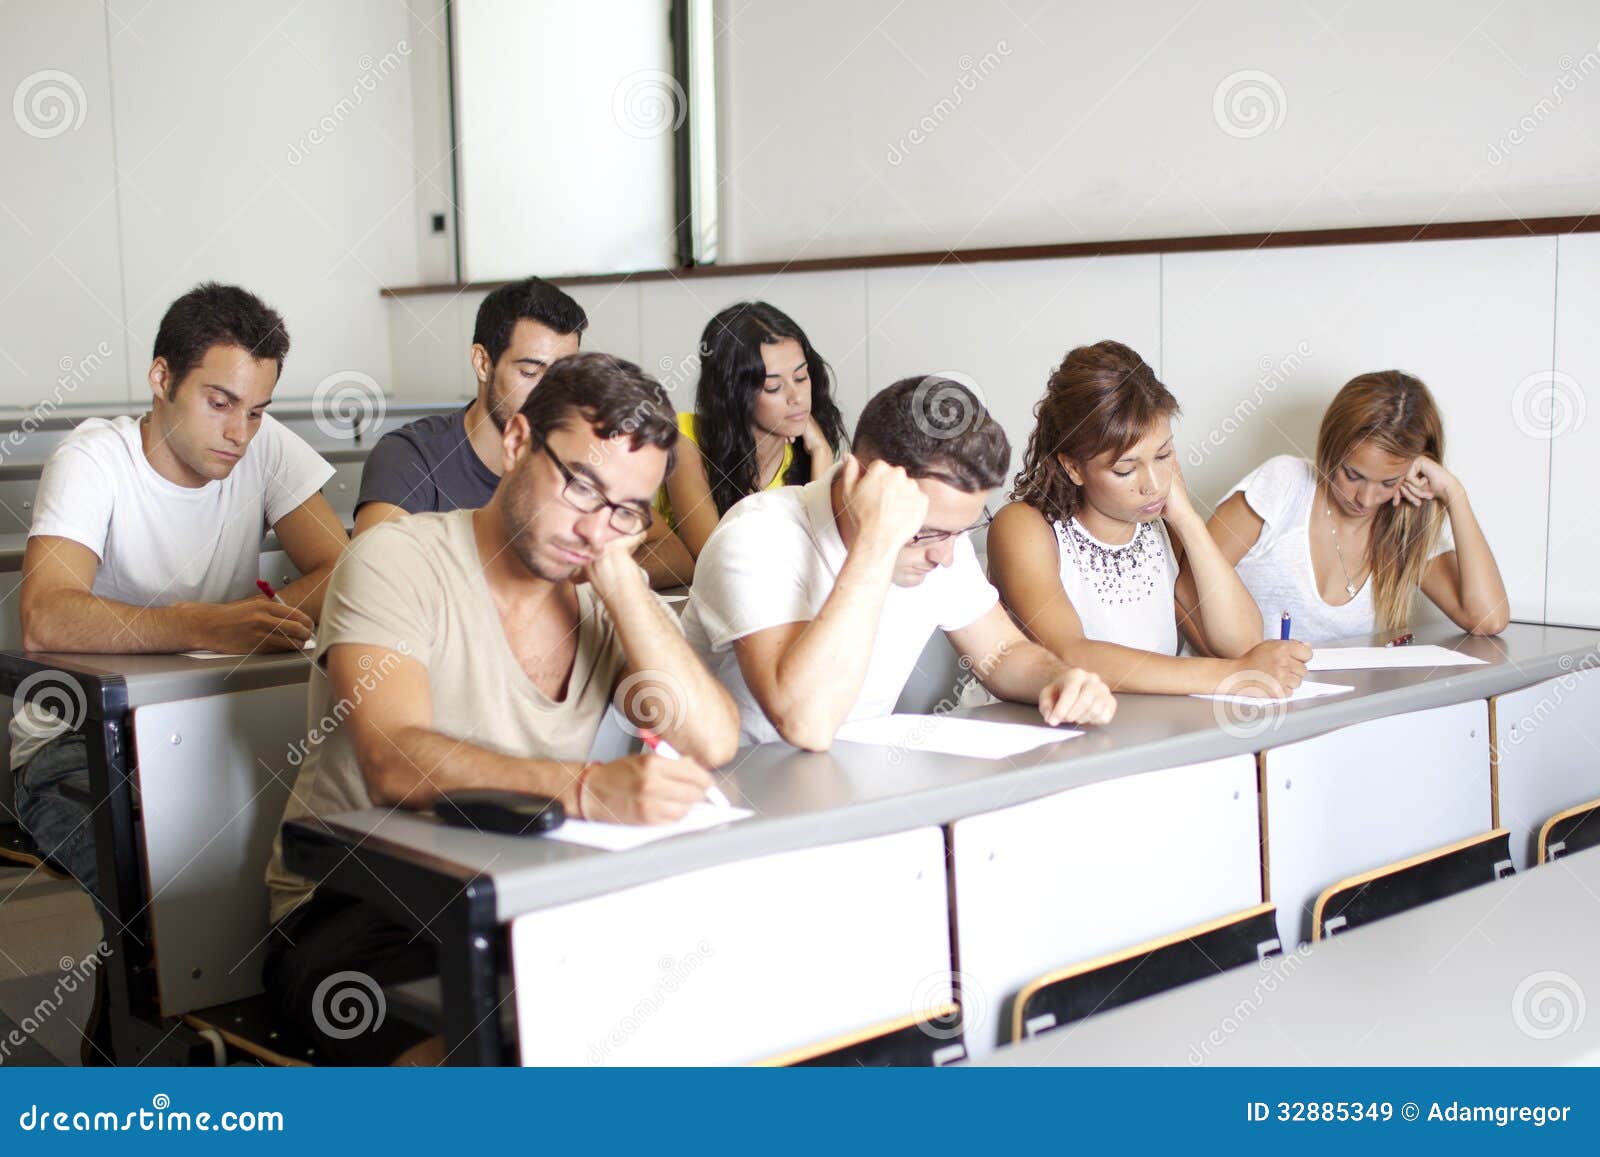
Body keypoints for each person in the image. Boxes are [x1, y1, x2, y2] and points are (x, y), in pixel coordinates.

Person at [264, 352, 740, 1065]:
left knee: (696, 1006)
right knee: (504, 1054)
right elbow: (393, 758)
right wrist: (585, 790)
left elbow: (713, 740)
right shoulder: (398, 559)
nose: (594, 526)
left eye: (626, 510)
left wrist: (622, 585)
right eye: (581, 486)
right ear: (517, 442)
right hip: (360, 905)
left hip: (529, 891)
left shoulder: (602, 581)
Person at [15, 282, 347, 902]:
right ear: (162, 378)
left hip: (214, 718)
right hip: (80, 740)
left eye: (256, 409)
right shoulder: (93, 460)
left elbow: (345, 570)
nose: (240, 432)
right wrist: (205, 625)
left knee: (338, 834)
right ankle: (148, 996)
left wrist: (259, 618)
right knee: (170, 900)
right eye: (219, 402)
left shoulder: (264, 446)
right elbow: (45, 616)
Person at [682, 374, 1116, 751]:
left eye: (960, 531)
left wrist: (1060, 680)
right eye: (924, 533)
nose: (945, 556)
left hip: (851, 782)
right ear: (858, 483)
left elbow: (1002, 655)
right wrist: (877, 542)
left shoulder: (941, 533)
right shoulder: (757, 536)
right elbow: (806, 724)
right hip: (737, 794)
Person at [987, 341, 1309, 696]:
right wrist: (1234, 675)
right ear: (1073, 467)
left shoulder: (1157, 526)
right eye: (1126, 470)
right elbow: (1071, 654)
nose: (1153, 485)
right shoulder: (1024, 527)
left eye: (1163, 455)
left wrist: (1187, 521)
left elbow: (1241, 643)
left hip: (1146, 730)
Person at [1207, 370, 1510, 644]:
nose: (1365, 499)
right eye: (1352, 475)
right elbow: (1185, 594)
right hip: (1235, 694)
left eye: (1388, 482)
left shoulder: (1404, 525)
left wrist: (1454, 495)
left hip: (1329, 702)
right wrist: (1242, 668)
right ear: (1330, 447)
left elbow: (1488, 618)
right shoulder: (1284, 484)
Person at [651, 302, 847, 583]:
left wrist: (822, 454)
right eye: (773, 387)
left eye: (801, 377)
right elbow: (720, 557)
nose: (797, 397)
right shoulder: (683, 440)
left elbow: (827, 558)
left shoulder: (808, 451)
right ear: (733, 393)